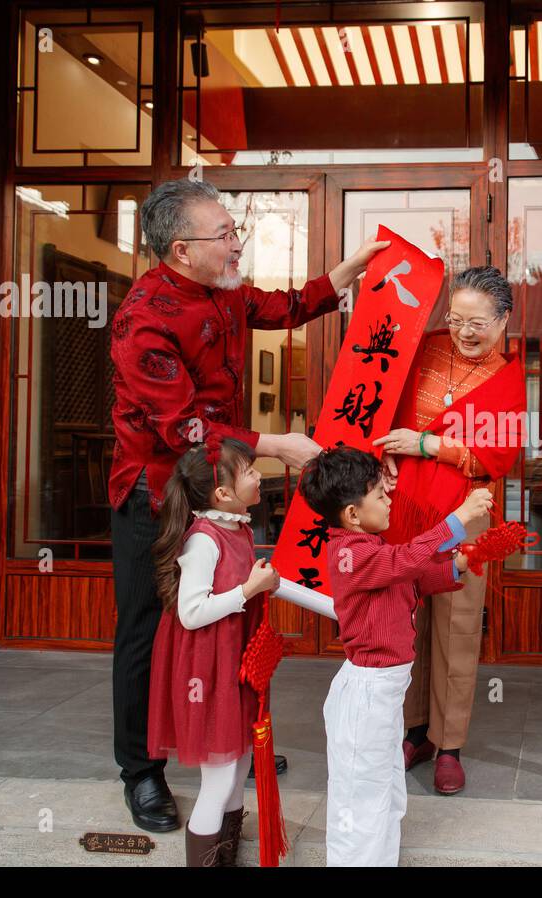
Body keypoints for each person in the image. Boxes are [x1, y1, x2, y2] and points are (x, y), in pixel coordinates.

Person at [109, 177, 388, 832]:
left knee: (231, 624)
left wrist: (349, 270)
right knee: (149, 635)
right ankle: (140, 772)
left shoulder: (224, 289)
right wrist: (274, 445)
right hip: (159, 494)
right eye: (225, 234)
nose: (237, 243)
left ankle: (231, 745)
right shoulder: (141, 320)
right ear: (181, 249)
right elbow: (184, 432)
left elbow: (284, 305)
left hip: (222, 491)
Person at [371, 266, 526, 795]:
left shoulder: (508, 376)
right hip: (404, 506)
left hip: (467, 510)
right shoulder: (425, 349)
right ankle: (415, 731)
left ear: (503, 320)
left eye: (478, 322)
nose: (464, 331)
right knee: (406, 617)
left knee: (457, 627)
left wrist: (429, 445)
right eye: (456, 318)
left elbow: (498, 455)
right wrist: (386, 458)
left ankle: (450, 744)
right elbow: (382, 410)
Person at [298, 447, 490, 866]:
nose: (389, 501)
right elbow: (404, 561)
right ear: (351, 514)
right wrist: (457, 520)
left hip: (385, 697)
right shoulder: (352, 553)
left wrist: (457, 566)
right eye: (380, 495)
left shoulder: (372, 547)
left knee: (386, 796)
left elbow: (413, 581)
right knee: (360, 806)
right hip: (365, 698)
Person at [145, 438, 279, 866]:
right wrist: (248, 590)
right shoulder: (204, 539)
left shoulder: (235, 527)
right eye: (250, 471)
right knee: (219, 780)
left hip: (233, 665)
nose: (259, 476)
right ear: (222, 493)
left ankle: (225, 858)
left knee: (239, 769)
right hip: (208, 667)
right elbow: (190, 612)